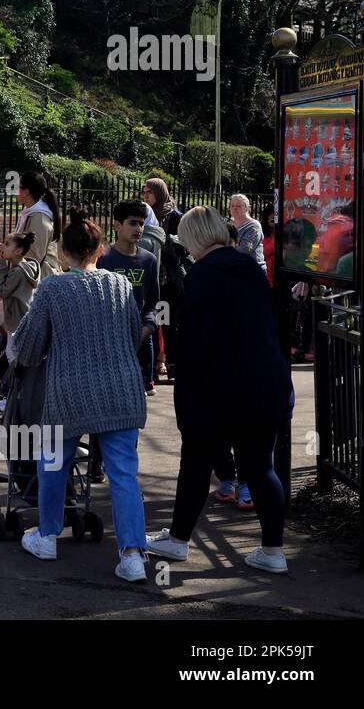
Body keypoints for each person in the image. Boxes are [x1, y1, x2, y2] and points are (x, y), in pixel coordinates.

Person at [146, 206, 294, 574]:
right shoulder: (250, 269)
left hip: (217, 388)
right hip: (265, 382)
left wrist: (187, 397)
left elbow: (197, 343)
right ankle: (273, 550)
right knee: (261, 469)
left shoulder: (202, 276)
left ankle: (178, 540)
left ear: (194, 238)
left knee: (196, 463)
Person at [11, 206, 149, 582]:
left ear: (61, 251)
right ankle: (133, 555)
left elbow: (27, 347)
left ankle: (48, 535)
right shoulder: (120, 284)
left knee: (53, 461)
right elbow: (135, 333)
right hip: (121, 390)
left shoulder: (52, 289)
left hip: (68, 392)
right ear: (99, 249)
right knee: (124, 473)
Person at [98, 200, 160, 398]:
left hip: (140, 341)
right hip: (108, 342)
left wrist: (147, 327)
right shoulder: (102, 258)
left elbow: (152, 302)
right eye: (133, 223)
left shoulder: (149, 260)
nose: (139, 228)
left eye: (142, 223)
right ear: (117, 225)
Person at [143, 177, 185, 381]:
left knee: (169, 324)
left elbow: (181, 246)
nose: (145, 196)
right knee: (153, 324)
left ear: (159, 192)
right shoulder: (144, 215)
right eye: (143, 192)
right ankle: (153, 369)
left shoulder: (174, 216)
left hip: (168, 279)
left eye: (149, 192)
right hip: (152, 277)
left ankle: (173, 367)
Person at [14, 171, 61, 279]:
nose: (15, 191)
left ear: (26, 192)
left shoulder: (39, 219)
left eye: (17, 187)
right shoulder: (30, 213)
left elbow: (34, 258)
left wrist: (11, 253)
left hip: (41, 282)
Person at [229, 194, 266, 274]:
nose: (235, 208)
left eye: (239, 206)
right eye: (232, 206)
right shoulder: (228, 224)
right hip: (234, 270)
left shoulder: (254, 226)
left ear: (247, 208)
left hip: (252, 271)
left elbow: (244, 250)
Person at [260, 202, 276, 287]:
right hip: (266, 278)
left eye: (275, 214)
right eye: (269, 214)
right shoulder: (261, 233)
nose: (272, 216)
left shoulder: (286, 232)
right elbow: (261, 254)